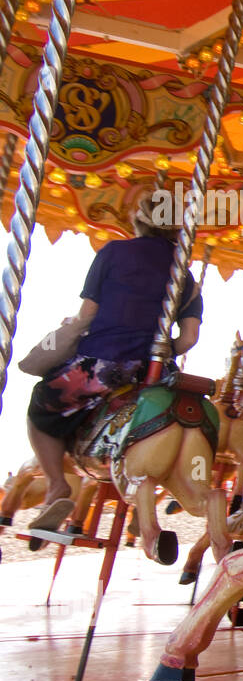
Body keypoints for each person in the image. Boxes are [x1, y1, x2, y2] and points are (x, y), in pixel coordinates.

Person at [26, 201, 203, 531]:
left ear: (139, 220)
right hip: (157, 374)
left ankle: (57, 485)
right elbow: (189, 338)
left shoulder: (114, 253)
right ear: (178, 230)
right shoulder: (186, 277)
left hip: (105, 363)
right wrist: (159, 353)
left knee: (42, 402)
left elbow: (86, 315)